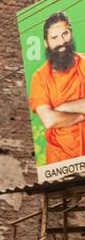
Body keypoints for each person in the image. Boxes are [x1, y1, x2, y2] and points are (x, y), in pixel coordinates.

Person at [29, 10, 85, 165]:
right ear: (46, 43)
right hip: (60, 162)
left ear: (71, 34)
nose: (61, 42)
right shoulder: (40, 77)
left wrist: (62, 108)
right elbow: (49, 120)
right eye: (54, 38)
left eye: (65, 34)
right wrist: (82, 115)